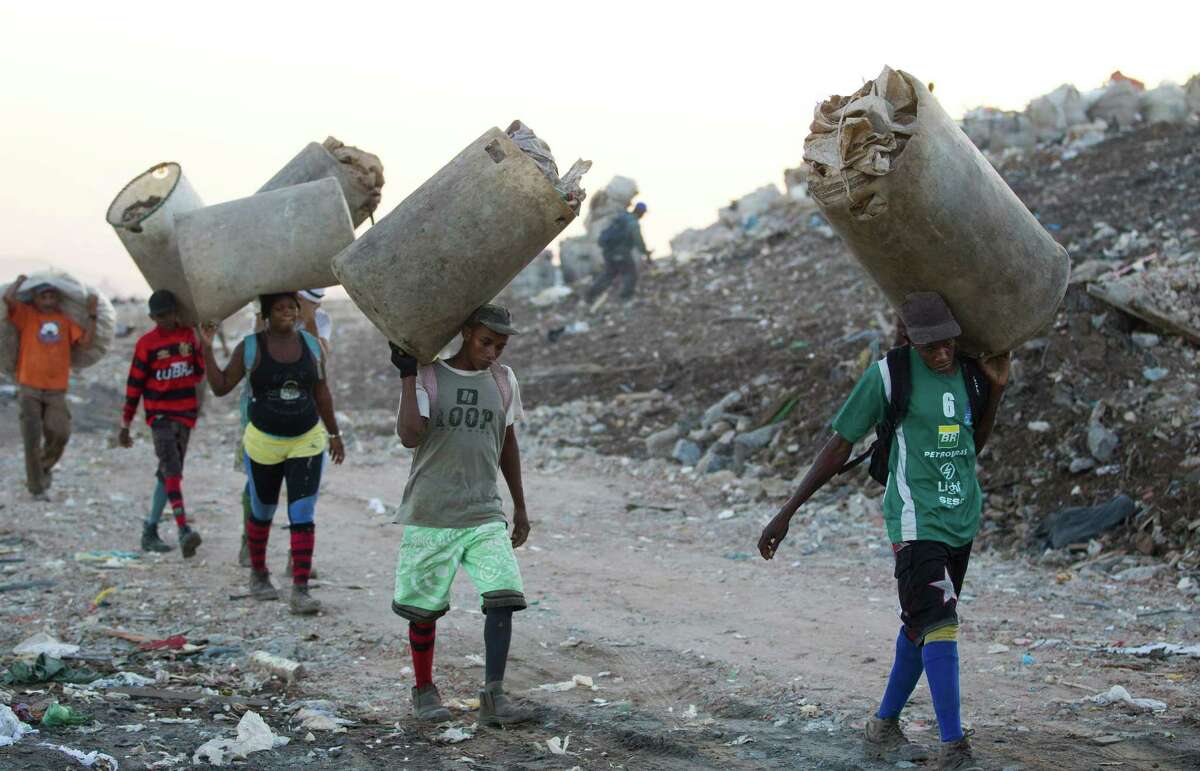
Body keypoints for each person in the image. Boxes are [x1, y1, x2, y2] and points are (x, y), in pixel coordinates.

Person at [757, 292, 1010, 771]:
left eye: (947, 343)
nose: (941, 354)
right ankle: (954, 748)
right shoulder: (889, 377)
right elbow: (838, 446)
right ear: (912, 341)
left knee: (921, 623)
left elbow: (973, 443)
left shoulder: (971, 374)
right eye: (930, 345)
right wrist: (787, 511)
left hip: (962, 518)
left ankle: (882, 725)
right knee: (941, 623)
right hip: (916, 521)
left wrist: (996, 389)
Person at [390, 304, 533, 726]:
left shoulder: (504, 381)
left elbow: (507, 443)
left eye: (501, 346)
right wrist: (407, 374)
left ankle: (494, 694)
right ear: (467, 332)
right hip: (431, 511)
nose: (493, 352)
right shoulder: (430, 376)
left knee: (503, 595)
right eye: (486, 342)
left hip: (483, 511)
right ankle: (423, 689)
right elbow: (408, 435)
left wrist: (520, 506)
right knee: (423, 608)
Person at [199, 292, 345, 615]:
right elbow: (221, 386)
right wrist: (206, 348)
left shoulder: (311, 346)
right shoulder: (250, 347)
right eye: (280, 308)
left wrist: (334, 434)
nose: (288, 313)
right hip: (263, 441)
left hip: (306, 438)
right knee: (263, 510)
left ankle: (300, 589)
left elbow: (321, 392)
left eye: (292, 307)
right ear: (265, 314)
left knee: (303, 512)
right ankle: (259, 574)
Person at [118, 290, 205, 557]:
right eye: (159, 316)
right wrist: (126, 423)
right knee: (172, 472)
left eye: (168, 314)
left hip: (185, 416)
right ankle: (183, 531)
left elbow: (199, 372)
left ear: (176, 312)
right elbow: (134, 385)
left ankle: (150, 530)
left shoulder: (189, 337)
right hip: (161, 418)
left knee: (165, 475)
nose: (165, 320)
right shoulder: (147, 344)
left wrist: (205, 344)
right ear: (152, 317)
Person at [4, 274, 97, 500]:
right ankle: (37, 488)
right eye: (43, 295)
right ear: (35, 298)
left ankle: (42, 467)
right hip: (29, 387)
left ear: (57, 299)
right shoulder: (26, 315)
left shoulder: (64, 321)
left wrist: (93, 313)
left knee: (61, 432)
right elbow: (7, 299)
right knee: (31, 438)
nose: (47, 299)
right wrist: (18, 283)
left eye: (51, 295)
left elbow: (85, 341)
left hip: (56, 389)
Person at [585, 201, 648, 303]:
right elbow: (638, 240)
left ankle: (591, 294)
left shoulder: (622, 217)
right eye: (643, 213)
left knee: (609, 274)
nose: (643, 215)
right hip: (621, 252)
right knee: (630, 273)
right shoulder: (632, 222)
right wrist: (645, 252)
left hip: (609, 252)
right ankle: (625, 297)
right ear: (640, 211)